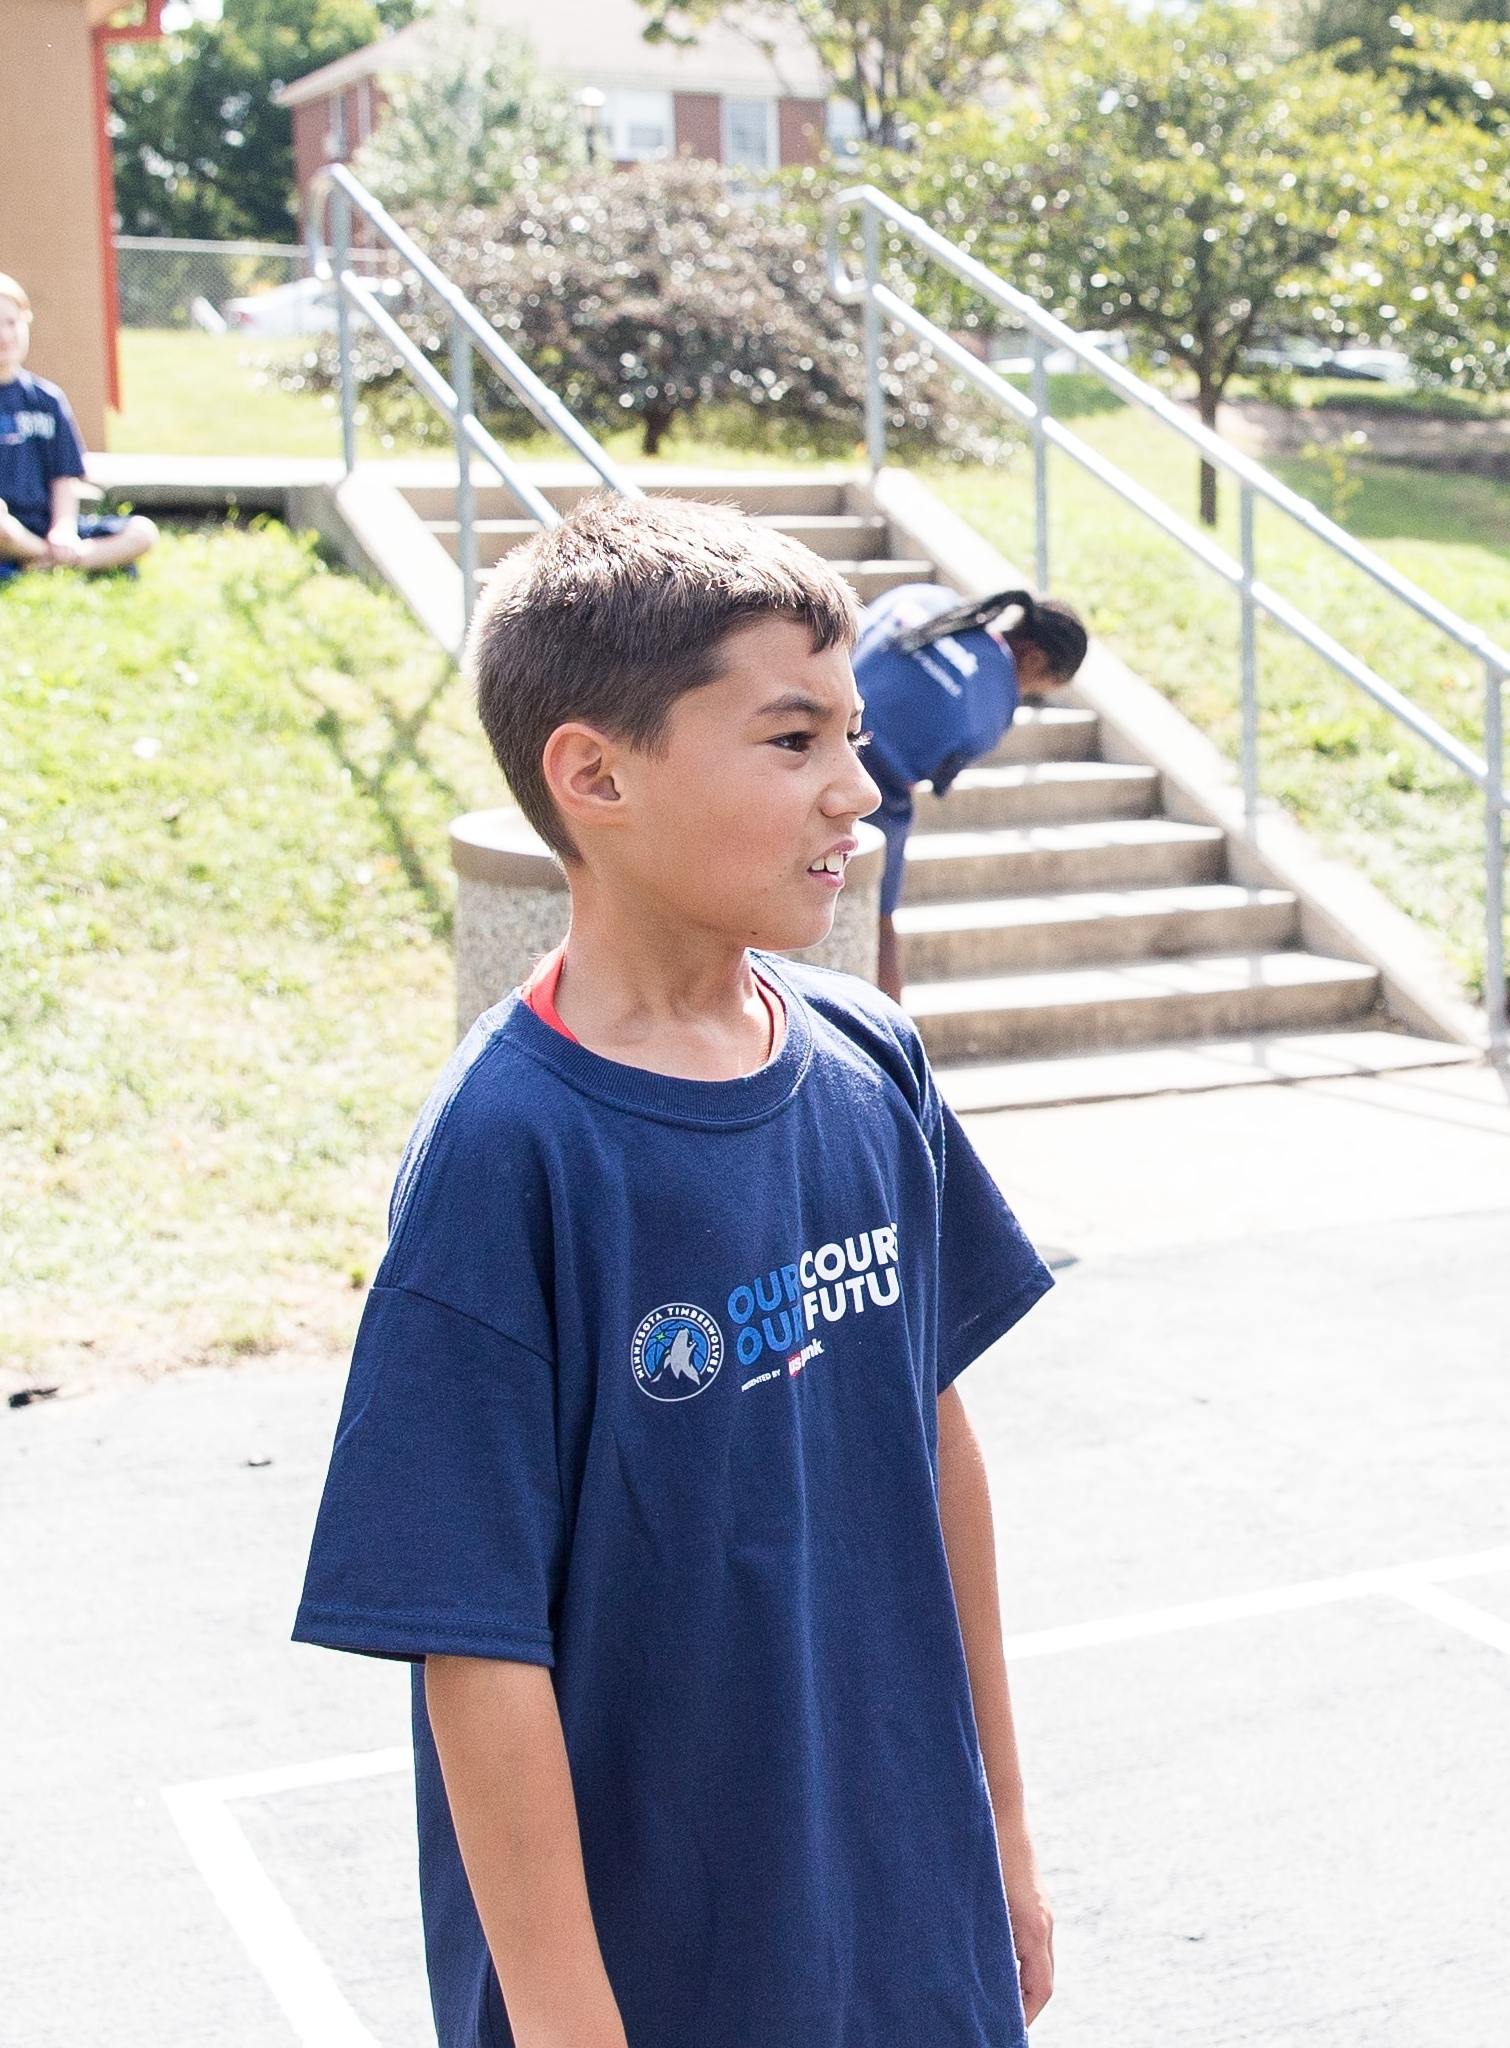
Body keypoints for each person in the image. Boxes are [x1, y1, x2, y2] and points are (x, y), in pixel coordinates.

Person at [294, 494, 1060, 2048]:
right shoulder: (509, 1151)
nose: (856, 788)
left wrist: (1003, 1834)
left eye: (850, 733)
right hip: (665, 1974)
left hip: (909, 1917)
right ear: (594, 775)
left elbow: (938, 1444)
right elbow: (475, 1646)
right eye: (791, 742)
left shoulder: (871, 1062)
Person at [852, 583, 1091, 1000]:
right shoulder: (996, 708)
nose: (1025, 694)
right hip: (872, 787)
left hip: (810, 736)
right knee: (881, 918)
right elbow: (934, 770)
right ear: (1033, 657)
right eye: (1036, 686)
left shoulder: (928, 597)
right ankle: (895, 1051)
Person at [0, 271, 155, 579]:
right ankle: (56, 559)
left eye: (12, 322)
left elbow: (64, 479)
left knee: (143, 532)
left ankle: (37, 558)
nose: (4, 335)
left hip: (44, 521)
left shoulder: (47, 399)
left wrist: (63, 530)